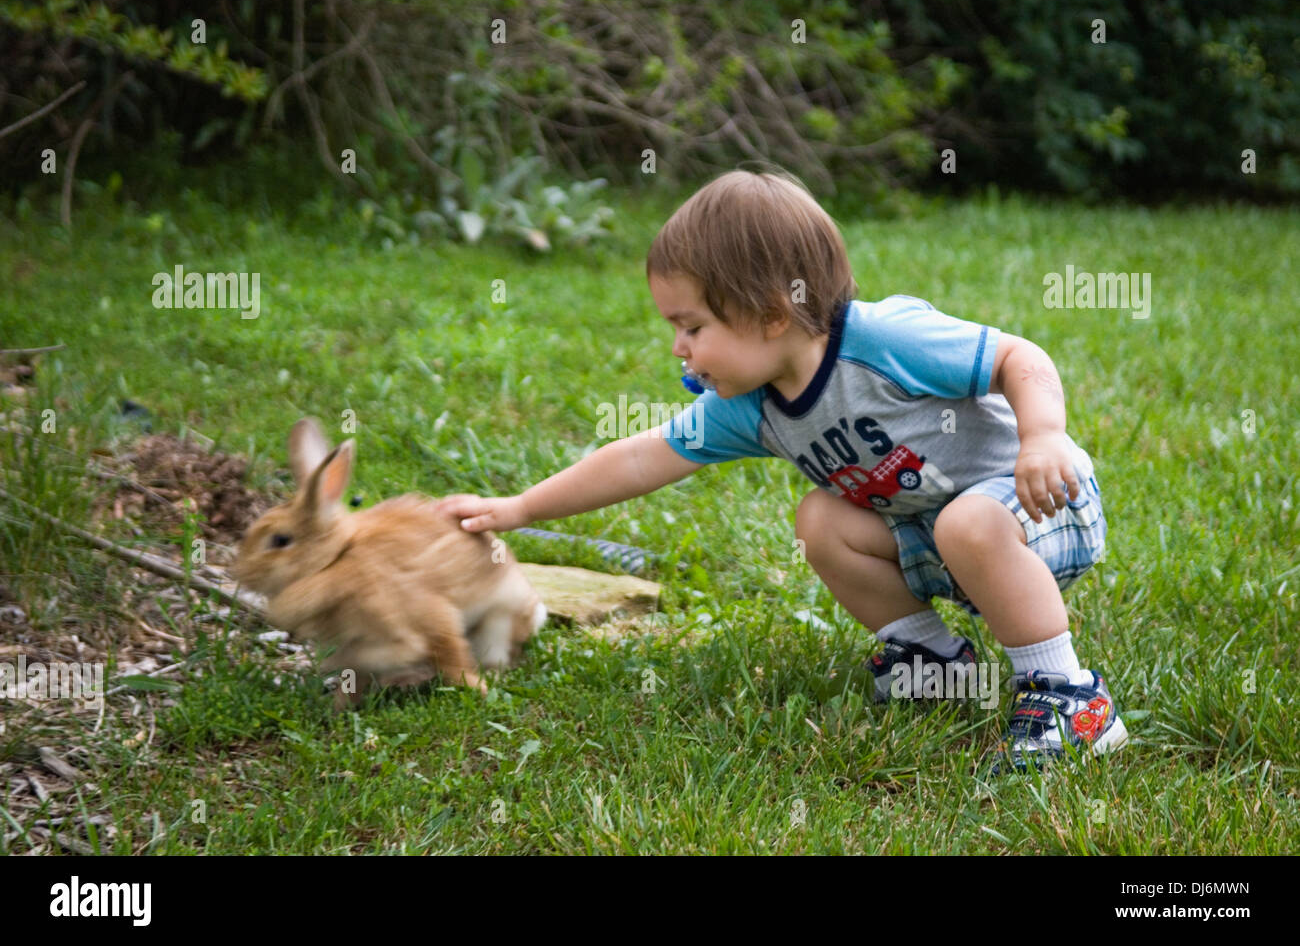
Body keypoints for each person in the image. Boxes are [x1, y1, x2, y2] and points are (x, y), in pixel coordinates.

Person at [437, 167, 1127, 773]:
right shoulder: (752, 407)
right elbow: (641, 456)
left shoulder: (883, 339)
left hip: (1040, 504)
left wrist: (1043, 438)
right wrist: (518, 507)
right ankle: (932, 662)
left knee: (968, 519)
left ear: (771, 314)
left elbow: (1019, 356)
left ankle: (1070, 696)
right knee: (820, 520)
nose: (679, 347)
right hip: (934, 534)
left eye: (693, 326)